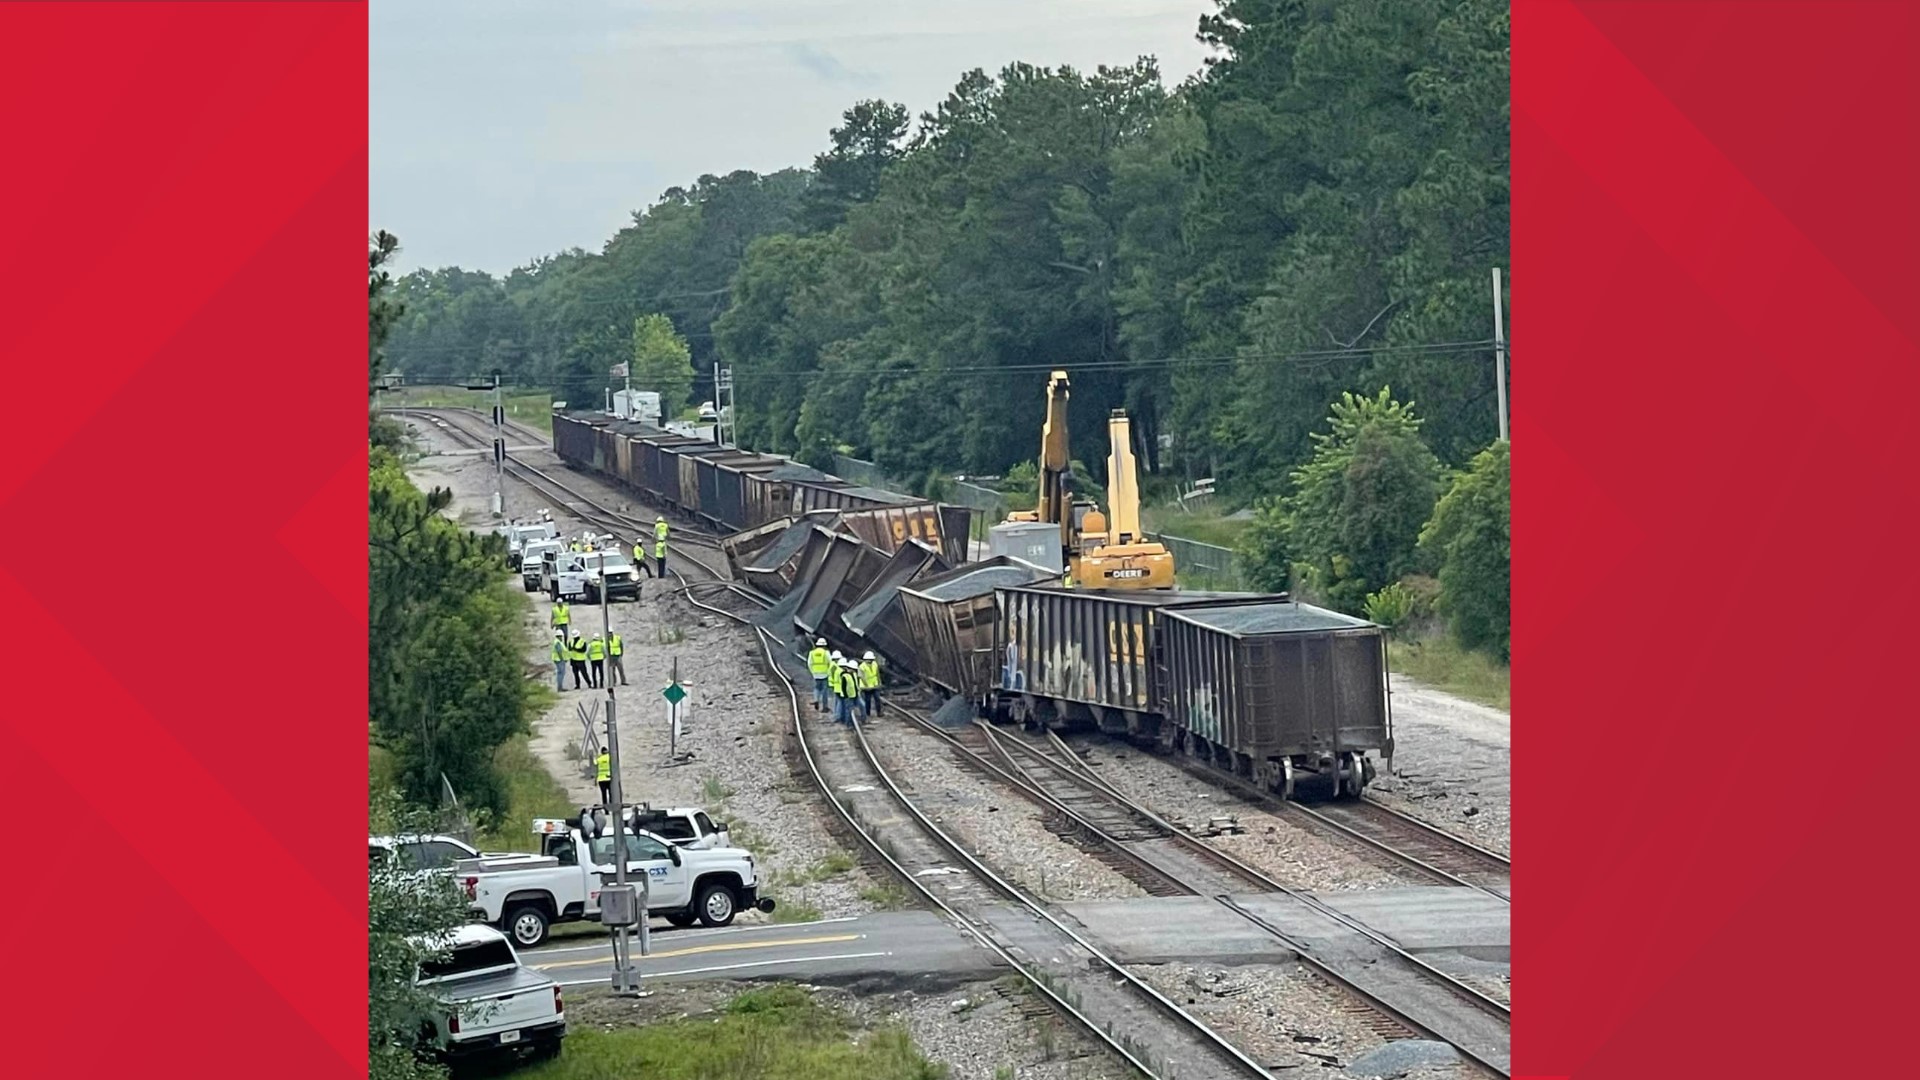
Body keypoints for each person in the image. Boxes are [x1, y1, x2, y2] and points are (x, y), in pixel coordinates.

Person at [807, 638, 832, 711]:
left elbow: (809, 663)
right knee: (824, 690)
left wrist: (812, 671)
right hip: (825, 674)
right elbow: (830, 662)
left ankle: (816, 700)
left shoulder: (812, 652)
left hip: (815, 674)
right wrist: (829, 672)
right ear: (824, 645)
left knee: (816, 688)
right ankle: (825, 707)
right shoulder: (826, 652)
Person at [858, 650, 882, 720]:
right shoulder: (861, 666)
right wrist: (867, 685)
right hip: (866, 687)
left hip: (874, 685)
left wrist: (879, 682)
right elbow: (862, 677)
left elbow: (877, 674)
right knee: (867, 700)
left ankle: (879, 712)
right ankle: (867, 713)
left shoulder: (875, 664)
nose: (870, 661)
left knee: (877, 698)